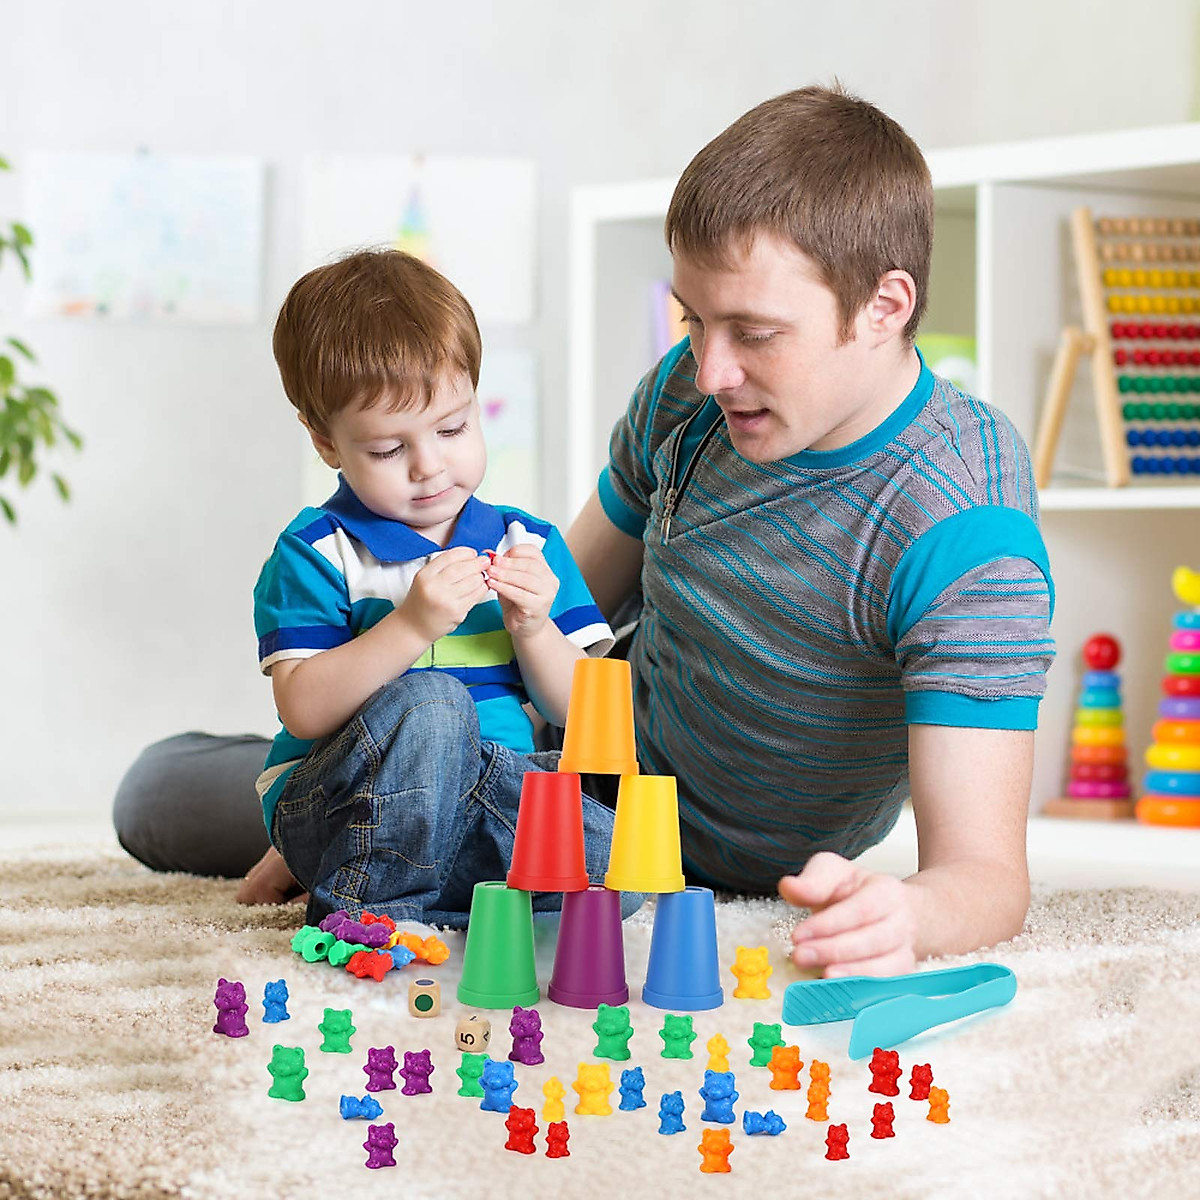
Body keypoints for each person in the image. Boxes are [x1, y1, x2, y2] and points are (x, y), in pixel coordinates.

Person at [114, 84, 1054, 975]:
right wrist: (381, 805)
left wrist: (910, 912)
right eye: (693, 319)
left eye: (755, 332)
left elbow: (983, 877)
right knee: (155, 796)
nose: (710, 367)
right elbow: (560, 602)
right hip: (540, 773)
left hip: (650, 850)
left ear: (885, 307)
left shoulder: (965, 520)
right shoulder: (689, 398)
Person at [243, 247, 621, 928]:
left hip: (492, 797)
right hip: (343, 798)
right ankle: (366, 913)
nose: (429, 465)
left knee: (617, 861)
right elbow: (301, 707)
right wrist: (410, 625)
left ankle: (439, 890)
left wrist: (533, 629)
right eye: (389, 450)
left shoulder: (525, 542)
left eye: (453, 427)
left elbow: (580, 710)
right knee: (437, 705)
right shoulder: (319, 551)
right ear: (327, 442)